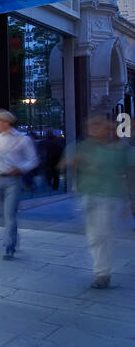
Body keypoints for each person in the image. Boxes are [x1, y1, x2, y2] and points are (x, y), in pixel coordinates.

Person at [61, 113, 134, 289]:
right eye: (92, 126)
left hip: (110, 197)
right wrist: (73, 161)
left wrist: (131, 200)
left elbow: (131, 174)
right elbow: (61, 165)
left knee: (101, 235)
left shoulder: (121, 149)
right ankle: (102, 270)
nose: (95, 129)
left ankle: (102, 273)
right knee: (94, 236)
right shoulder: (81, 147)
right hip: (87, 196)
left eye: (99, 125)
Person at [0, 109, 39, 258]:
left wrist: (20, 168)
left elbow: (33, 160)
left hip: (13, 181)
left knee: (10, 214)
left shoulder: (23, 139)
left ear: (5, 122)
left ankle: (9, 246)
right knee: (4, 214)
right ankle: (13, 238)